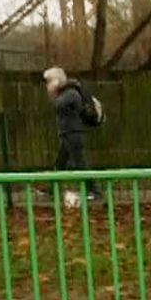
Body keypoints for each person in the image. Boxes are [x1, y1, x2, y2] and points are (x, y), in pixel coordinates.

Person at [43, 67, 100, 201]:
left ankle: (94, 191)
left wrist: (54, 91)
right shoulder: (67, 93)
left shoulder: (71, 93)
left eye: (49, 81)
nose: (48, 85)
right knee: (60, 164)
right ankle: (52, 189)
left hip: (73, 134)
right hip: (67, 134)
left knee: (81, 163)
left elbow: (58, 105)